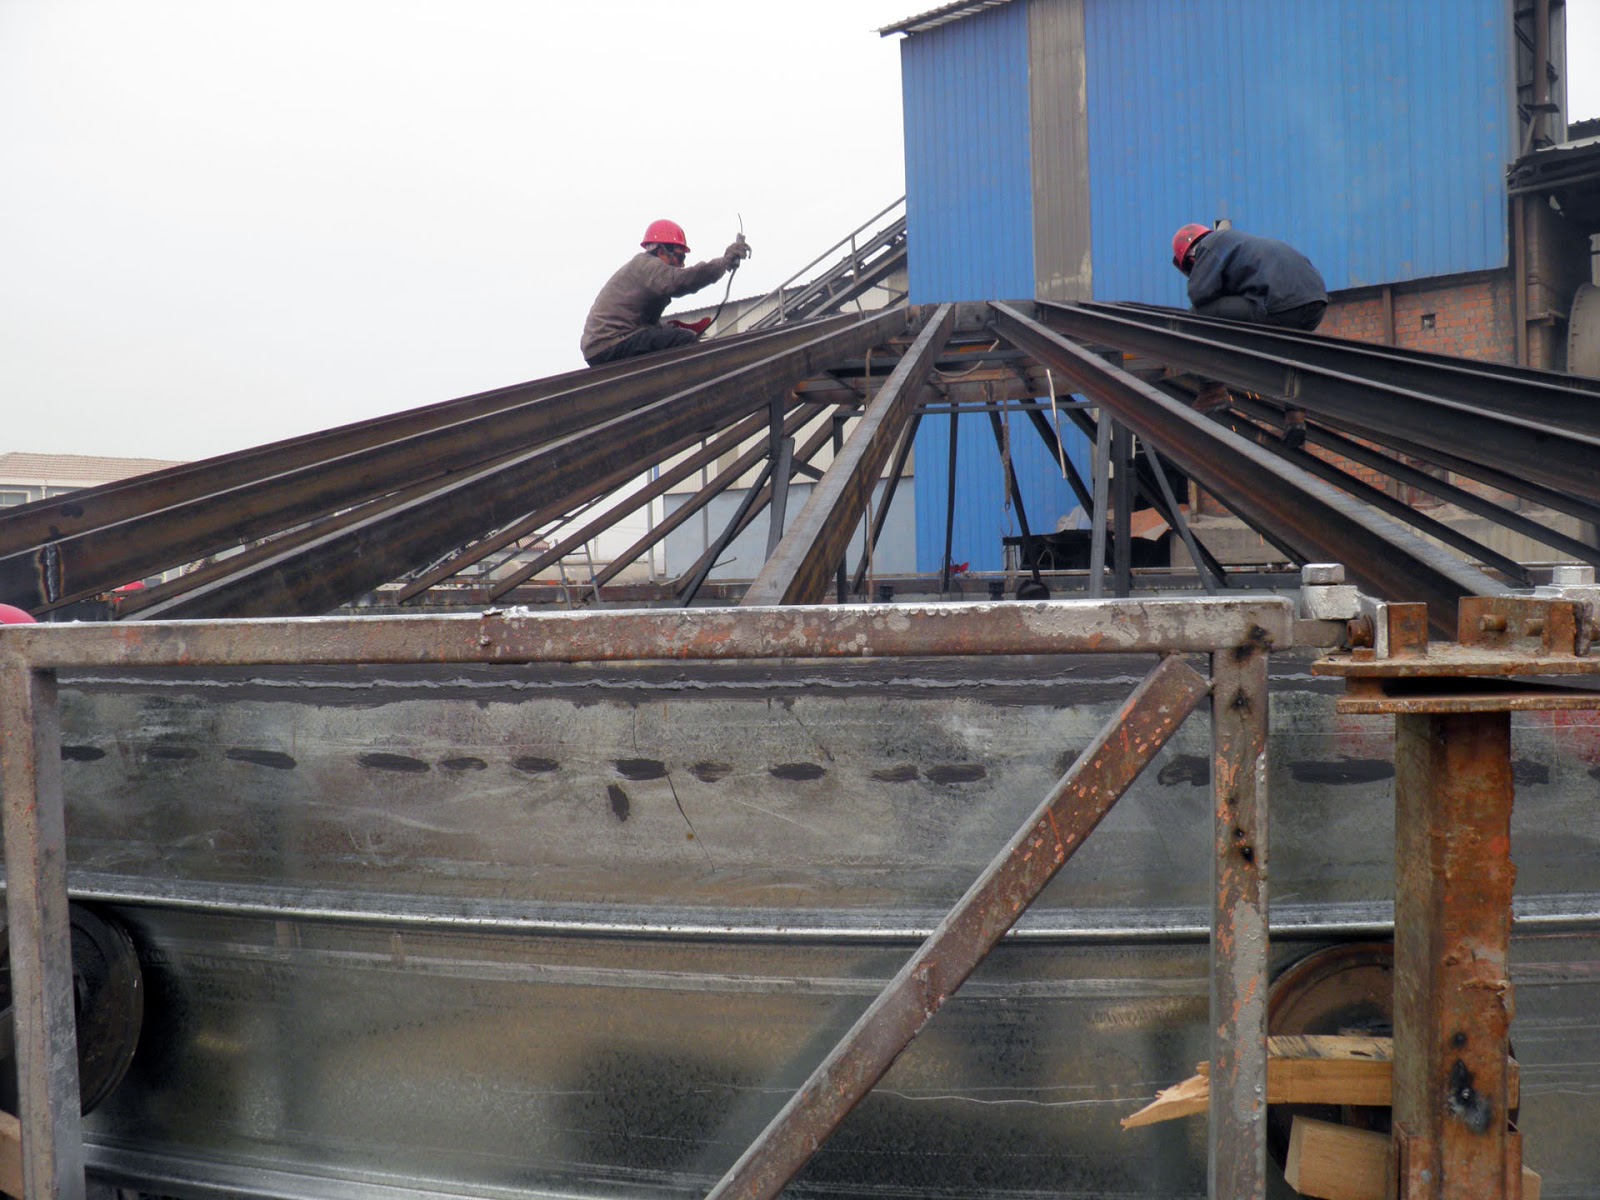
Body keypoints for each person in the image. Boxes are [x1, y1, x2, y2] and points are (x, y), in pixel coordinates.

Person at [580, 220, 752, 367]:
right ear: (661, 251)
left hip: (607, 344)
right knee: (684, 341)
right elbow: (682, 281)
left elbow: (639, 325)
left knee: (673, 338)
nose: (682, 265)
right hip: (610, 343)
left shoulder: (643, 271)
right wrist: (723, 262)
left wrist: (669, 328)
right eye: (679, 257)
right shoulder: (647, 265)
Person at [1171, 223, 1327, 331]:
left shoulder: (1209, 245)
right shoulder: (1236, 244)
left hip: (1281, 307)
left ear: (1191, 259)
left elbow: (1199, 294)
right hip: (1316, 306)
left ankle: (1205, 363)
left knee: (1199, 312)